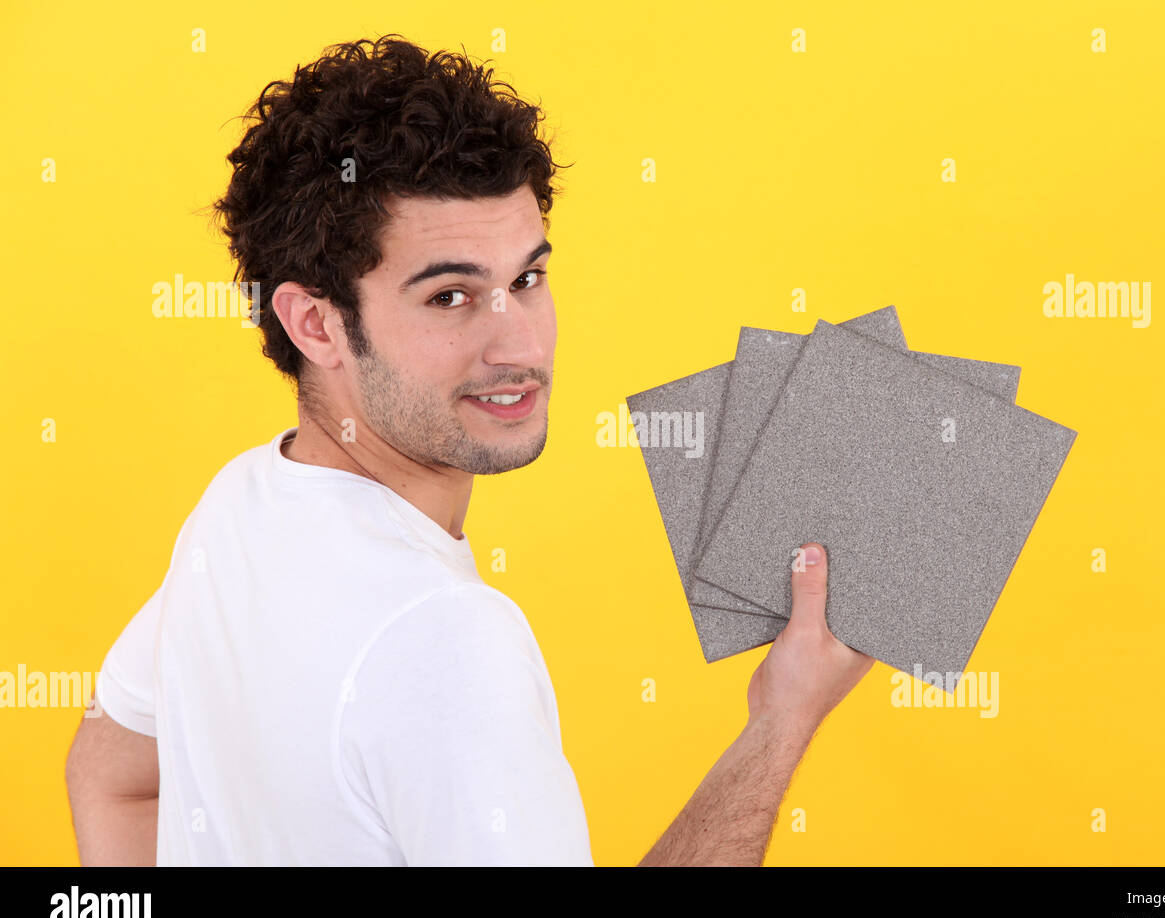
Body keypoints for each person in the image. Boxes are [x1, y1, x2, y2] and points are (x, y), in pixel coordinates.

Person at [63, 35, 874, 867]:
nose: (518, 343)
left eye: (526, 279)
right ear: (315, 323)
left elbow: (108, 773)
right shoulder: (447, 642)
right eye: (450, 296)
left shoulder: (238, 509)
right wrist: (781, 723)